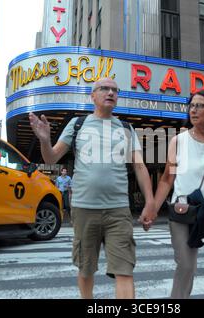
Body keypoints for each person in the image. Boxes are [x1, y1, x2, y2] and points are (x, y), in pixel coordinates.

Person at [29, 77, 155, 299]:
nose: (110, 92)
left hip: (119, 210)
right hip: (84, 208)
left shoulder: (126, 128)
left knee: (124, 270)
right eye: (104, 88)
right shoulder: (78, 124)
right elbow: (51, 156)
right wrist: (45, 140)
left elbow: (140, 166)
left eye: (115, 90)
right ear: (92, 95)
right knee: (86, 268)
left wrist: (151, 202)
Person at [140, 89, 204, 299]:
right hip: (184, 212)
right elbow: (167, 179)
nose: (194, 110)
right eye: (192, 106)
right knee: (185, 268)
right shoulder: (178, 141)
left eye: (200, 106)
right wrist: (151, 209)